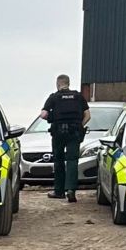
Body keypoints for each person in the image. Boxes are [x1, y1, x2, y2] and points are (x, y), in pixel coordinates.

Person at [40, 74, 90, 203]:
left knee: (59, 160)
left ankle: (59, 191)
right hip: (74, 132)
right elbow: (88, 115)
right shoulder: (78, 97)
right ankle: (71, 190)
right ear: (68, 83)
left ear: (58, 84)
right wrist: (79, 126)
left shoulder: (54, 97)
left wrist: (50, 116)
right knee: (72, 160)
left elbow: (43, 115)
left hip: (58, 133)